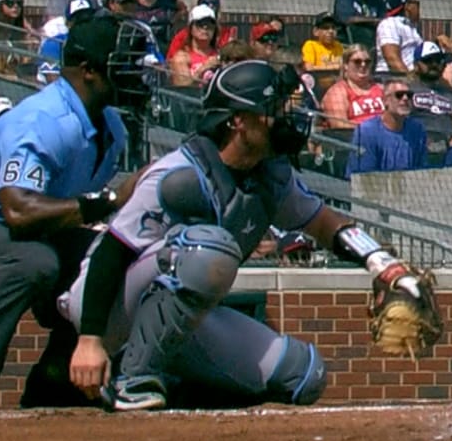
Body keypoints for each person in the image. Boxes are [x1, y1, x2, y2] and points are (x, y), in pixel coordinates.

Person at [63, 61, 427, 410]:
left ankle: (176, 387)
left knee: (302, 374)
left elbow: (323, 223)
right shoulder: (179, 176)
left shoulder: (269, 174)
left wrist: (384, 264)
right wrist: (90, 341)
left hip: (182, 313)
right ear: (238, 121)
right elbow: (112, 251)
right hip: (106, 305)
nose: (284, 119)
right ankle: (132, 379)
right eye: (272, 109)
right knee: (208, 250)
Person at [0, 18, 148, 412]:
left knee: (108, 256)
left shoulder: (110, 125)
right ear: (89, 70)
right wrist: (110, 200)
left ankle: (56, 377)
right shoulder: (45, 120)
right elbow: (18, 210)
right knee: (34, 260)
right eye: (124, 64)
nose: (136, 73)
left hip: (4, 228)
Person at [345, 78, 426, 176]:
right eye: (399, 95)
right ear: (385, 101)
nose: (405, 99)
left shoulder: (417, 130)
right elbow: (364, 176)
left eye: (409, 95)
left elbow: (421, 171)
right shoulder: (366, 132)